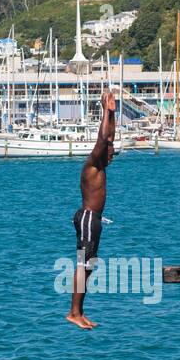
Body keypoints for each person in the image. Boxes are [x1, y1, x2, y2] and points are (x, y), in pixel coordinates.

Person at [67, 90, 115, 329]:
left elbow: (109, 137)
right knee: (83, 264)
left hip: (92, 220)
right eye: (110, 150)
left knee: (88, 266)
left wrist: (113, 112)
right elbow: (103, 139)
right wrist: (106, 111)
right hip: (87, 219)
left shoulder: (99, 166)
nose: (113, 152)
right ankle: (73, 312)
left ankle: (80, 312)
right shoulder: (91, 165)